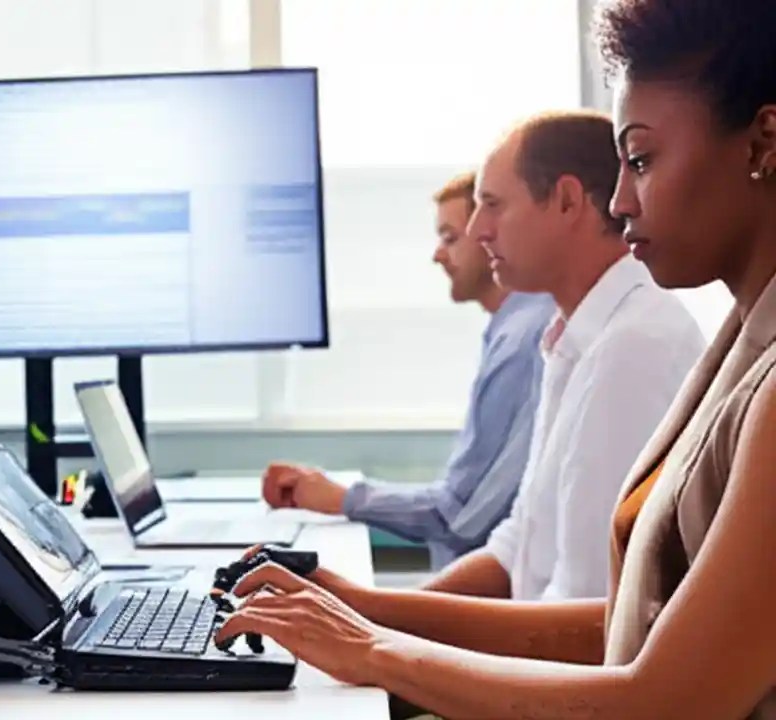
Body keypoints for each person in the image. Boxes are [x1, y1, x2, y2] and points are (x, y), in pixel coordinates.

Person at [216, 0, 776, 716]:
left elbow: (663, 698)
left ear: (762, 143)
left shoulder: (679, 351)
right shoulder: (738, 343)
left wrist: (374, 646)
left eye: (641, 159)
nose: (622, 199)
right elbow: (627, 623)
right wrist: (362, 613)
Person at [262, 172, 554, 570]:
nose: (437, 255)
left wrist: (342, 498)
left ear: (490, 236)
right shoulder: (513, 329)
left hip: (477, 595)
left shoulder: (522, 341)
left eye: (450, 238)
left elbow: (460, 518)